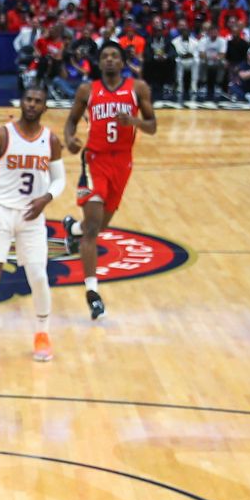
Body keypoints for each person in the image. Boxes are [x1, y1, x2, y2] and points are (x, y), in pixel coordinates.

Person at [0, 82, 65, 366]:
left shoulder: (52, 140)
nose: (32, 104)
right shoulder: (1, 135)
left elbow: (59, 180)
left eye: (38, 101)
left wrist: (46, 198)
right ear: (21, 103)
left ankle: (43, 334)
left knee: (38, 275)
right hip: (0, 212)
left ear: (45, 107)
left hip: (32, 217)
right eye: (29, 99)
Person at [62, 43, 157, 321]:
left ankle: (73, 228)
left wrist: (135, 122)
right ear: (99, 62)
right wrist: (69, 140)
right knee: (93, 229)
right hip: (95, 160)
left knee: (99, 225)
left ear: (123, 60)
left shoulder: (138, 88)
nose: (110, 60)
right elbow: (70, 122)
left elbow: (153, 126)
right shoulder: (86, 91)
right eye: (105, 56)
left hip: (122, 163)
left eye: (115, 56)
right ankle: (93, 294)